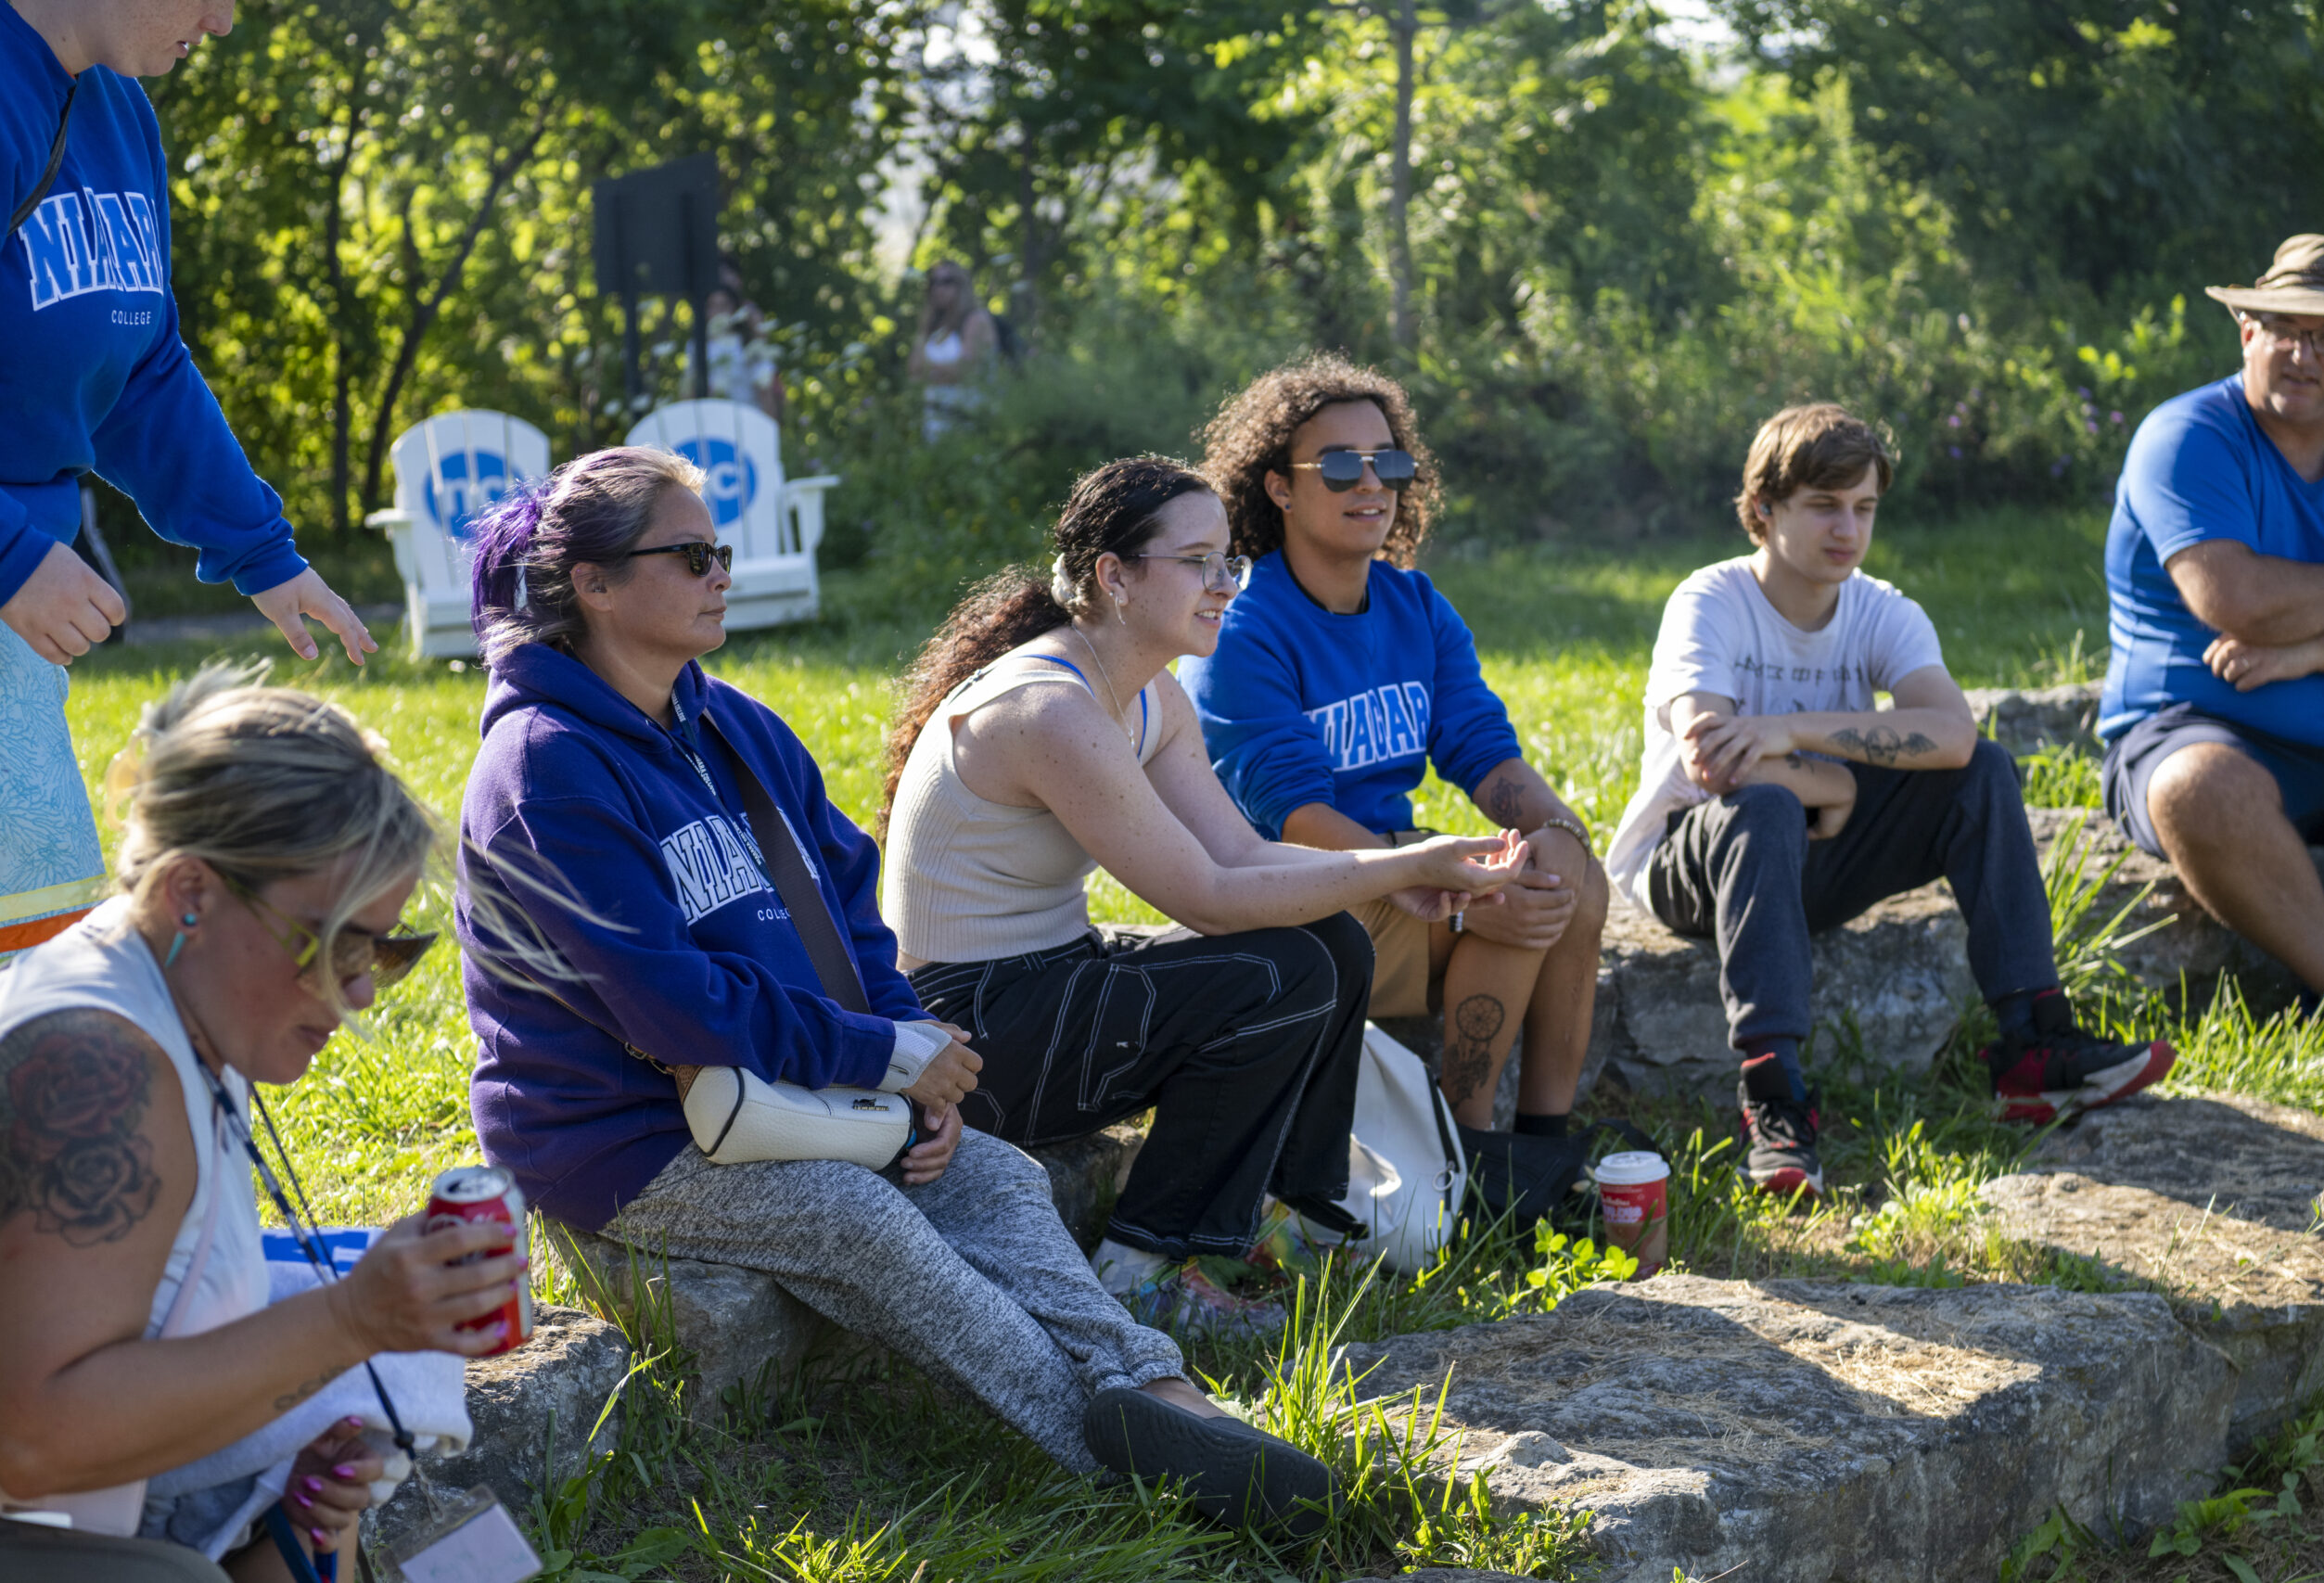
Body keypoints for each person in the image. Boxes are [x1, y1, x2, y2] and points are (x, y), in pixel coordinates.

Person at [453, 447, 1340, 1532]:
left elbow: (846, 908)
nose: (719, 572)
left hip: (790, 1088)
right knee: (861, 1220)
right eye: (689, 556)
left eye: (718, 550)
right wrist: (879, 1060)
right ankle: (1126, 1466)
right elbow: (663, 1004)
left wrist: (909, 1051)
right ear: (591, 585)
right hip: (625, 1138)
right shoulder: (542, 769)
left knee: (998, 1181)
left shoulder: (729, 725)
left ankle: (1169, 1399)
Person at [877, 455, 1526, 1331]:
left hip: (1048, 981)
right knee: (1277, 971)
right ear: (1114, 576)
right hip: (967, 1028)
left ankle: (1291, 1224)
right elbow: (1212, 898)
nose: (1225, 584)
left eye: (1230, 561)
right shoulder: (1048, 708)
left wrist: (1393, 871)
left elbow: (1244, 850)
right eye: (1197, 562)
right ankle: (1143, 1266)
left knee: (1332, 943)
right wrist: (1406, 866)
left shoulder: (1146, 693)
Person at [0, 670, 520, 1582]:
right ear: (190, 892)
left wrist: (283, 1512)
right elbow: (31, 1445)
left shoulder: (177, 1008)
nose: (358, 990)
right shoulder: (98, 1061)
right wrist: (355, 1319)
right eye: (334, 944)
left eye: (387, 951)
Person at [1603, 403, 2173, 1195]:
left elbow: (1952, 735)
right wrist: (1832, 782)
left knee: (1986, 774)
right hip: (1689, 860)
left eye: (1864, 507)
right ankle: (1774, 1101)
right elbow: (1715, 761)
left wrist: (1790, 732)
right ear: (1764, 511)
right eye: (1824, 506)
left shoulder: (1877, 607)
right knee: (1764, 808)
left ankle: (2034, 1044)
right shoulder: (1711, 602)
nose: (1848, 529)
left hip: (1810, 858)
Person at [1181, 355, 1610, 1218]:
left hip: (1385, 868)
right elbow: (1292, 815)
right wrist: (1438, 881)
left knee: (1563, 876)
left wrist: (1560, 830)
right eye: (1339, 464)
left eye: (1390, 462)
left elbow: (1486, 757)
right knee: (1503, 901)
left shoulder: (1416, 606)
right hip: (1294, 894)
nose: (1370, 481)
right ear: (1278, 488)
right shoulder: (1247, 628)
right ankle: (1474, 1157)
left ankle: (1546, 1150)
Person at [1, 0, 377, 960]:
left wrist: (260, 551)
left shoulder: (122, 110)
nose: (224, 19)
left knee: (33, 920)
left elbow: (141, 368)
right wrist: (10, 557)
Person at [2101, 234, 2324, 1007]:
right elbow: (2239, 603)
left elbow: (2276, 627)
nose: (2302, 353)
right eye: (2283, 329)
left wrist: (2310, 651)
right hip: (2189, 727)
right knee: (2200, 786)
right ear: (2247, 334)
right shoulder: (2187, 437)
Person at [906, 261, 998, 442]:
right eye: (933, 282)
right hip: (935, 423)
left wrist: (929, 371)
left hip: (971, 420)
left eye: (947, 281)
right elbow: (912, 370)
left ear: (961, 284)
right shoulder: (931, 326)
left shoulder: (976, 319)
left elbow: (966, 370)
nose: (938, 288)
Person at [687, 285, 783, 420]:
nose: (718, 312)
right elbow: (690, 389)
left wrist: (771, 428)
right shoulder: (695, 347)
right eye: (712, 306)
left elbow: (764, 386)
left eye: (723, 306)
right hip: (712, 420)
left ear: (733, 309)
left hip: (748, 419)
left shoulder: (748, 343)